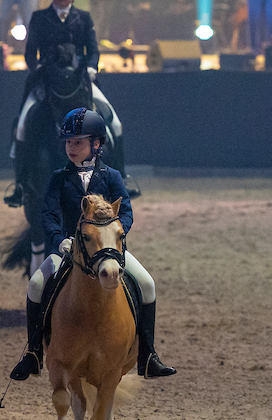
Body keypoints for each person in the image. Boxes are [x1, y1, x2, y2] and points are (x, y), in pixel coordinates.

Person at [9, 106, 175, 381]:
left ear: (96, 144)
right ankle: (33, 354)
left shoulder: (111, 176)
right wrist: (59, 240)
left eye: (78, 142)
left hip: (106, 250)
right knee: (36, 284)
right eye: (68, 143)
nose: (71, 148)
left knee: (147, 284)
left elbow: (127, 212)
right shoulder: (58, 178)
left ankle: (148, 355)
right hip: (67, 250)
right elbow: (48, 214)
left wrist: (115, 236)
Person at [5, 0, 123, 208]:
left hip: (80, 79)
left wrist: (91, 67)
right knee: (23, 123)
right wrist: (38, 69)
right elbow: (30, 53)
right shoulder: (39, 18)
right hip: (48, 80)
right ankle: (20, 183)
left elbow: (93, 50)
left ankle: (122, 179)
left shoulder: (84, 17)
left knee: (115, 123)